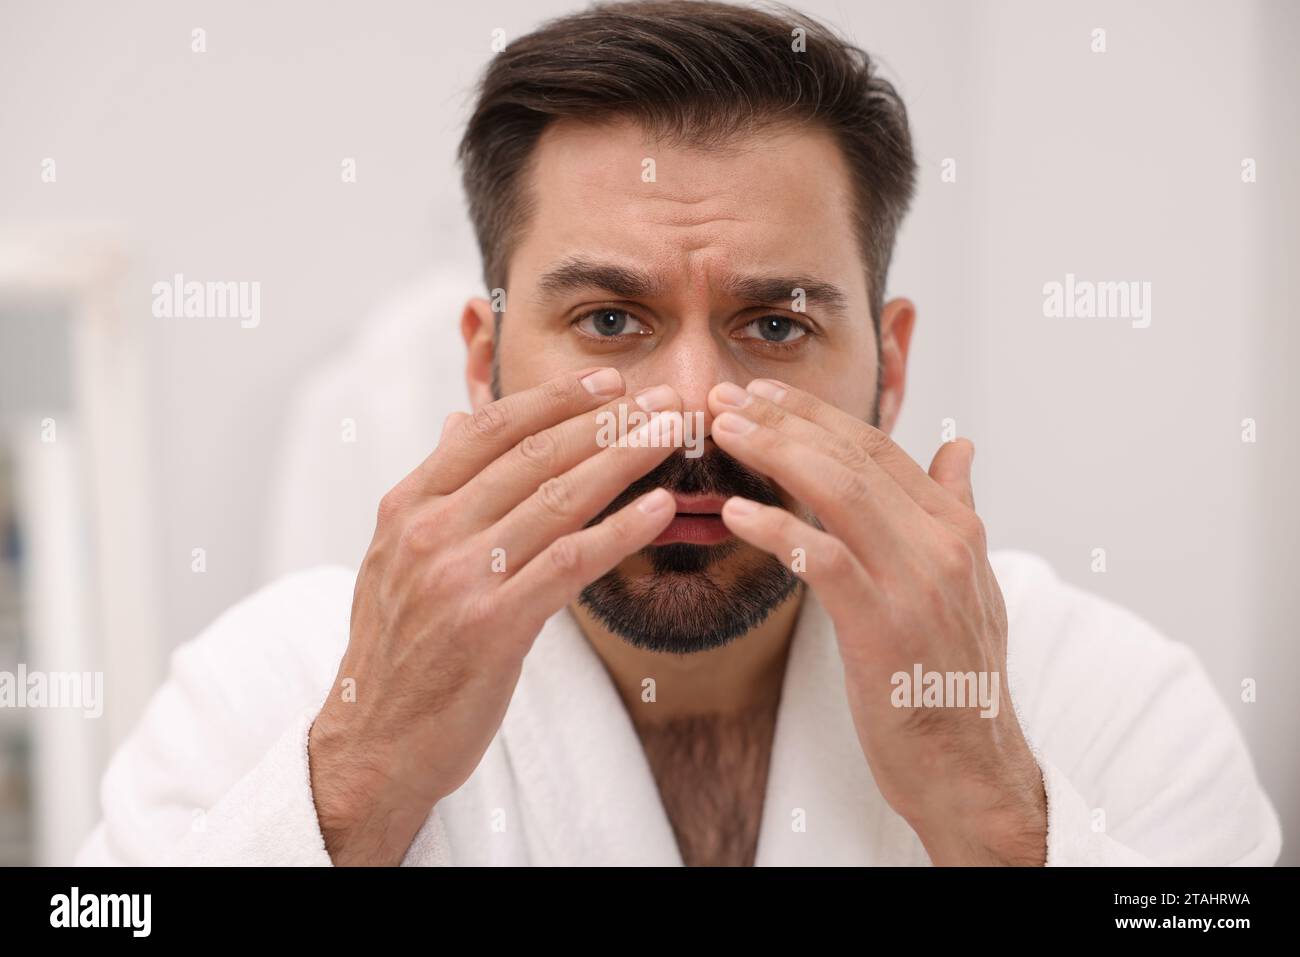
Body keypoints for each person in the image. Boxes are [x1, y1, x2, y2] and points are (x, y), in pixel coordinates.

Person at [77, 0, 1281, 867]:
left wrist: (992, 808)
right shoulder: (267, 692)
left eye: (773, 322)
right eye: (610, 319)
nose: (694, 404)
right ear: (485, 360)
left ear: (892, 365)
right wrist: (354, 777)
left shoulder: (1110, 700)